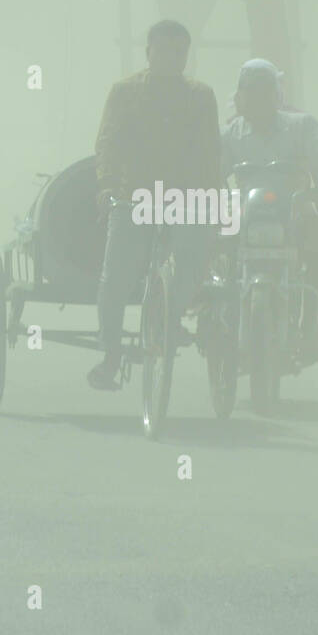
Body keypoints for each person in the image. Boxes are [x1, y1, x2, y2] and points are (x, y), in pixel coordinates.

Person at [87, 20, 221, 390]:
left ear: (186, 57)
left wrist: (212, 197)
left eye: (179, 53)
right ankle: (110, 354)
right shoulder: (124, 92)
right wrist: (108, 186)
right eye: (163, 51)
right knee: (115, 277)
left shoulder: (201, 97)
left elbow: (211, 153)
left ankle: (170, 317)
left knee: (194, 259)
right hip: (133, 197)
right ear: (148, 52)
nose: (170, 59)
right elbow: (108, 142)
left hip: (184, 199)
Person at [220, 58, 318, 360]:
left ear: (277, 96)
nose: (257, 98)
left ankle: (315, 330)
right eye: (250, 91)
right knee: (211, 253)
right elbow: (211, 170)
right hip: (242, 220)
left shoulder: (301, 126)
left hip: (296, 216)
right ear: (239, 96)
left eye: (264, 91)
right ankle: (219, 322)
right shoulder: (229, 134)